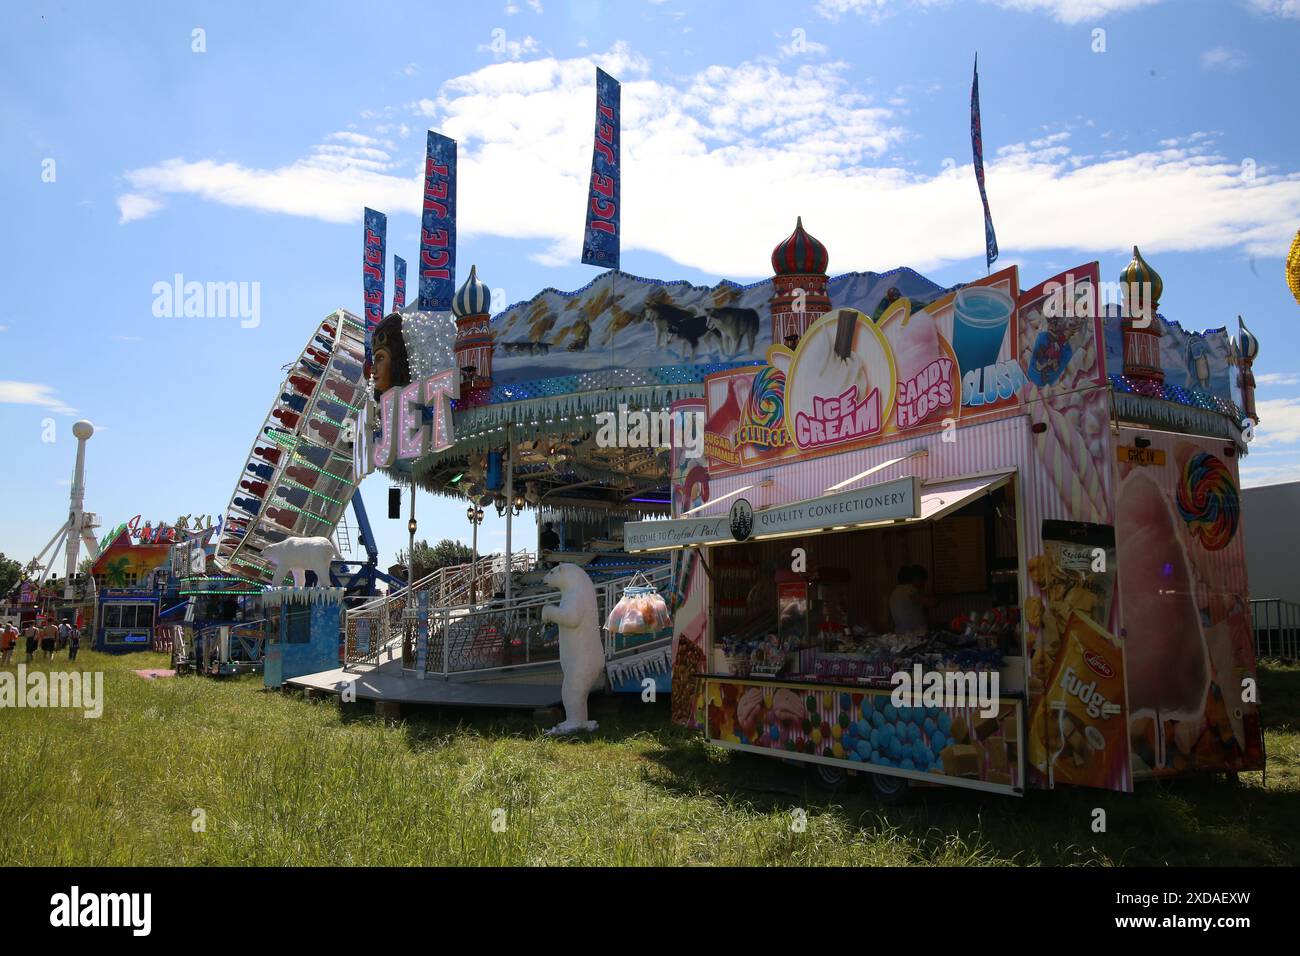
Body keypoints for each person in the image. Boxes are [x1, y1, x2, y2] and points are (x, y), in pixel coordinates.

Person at [889, 565, 936, 635]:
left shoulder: (894, 592)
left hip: (901, 633)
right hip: (915, 634)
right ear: (915, 578)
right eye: (922, 580)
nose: (923, 583)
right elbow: (933, 603)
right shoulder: (910, 590)